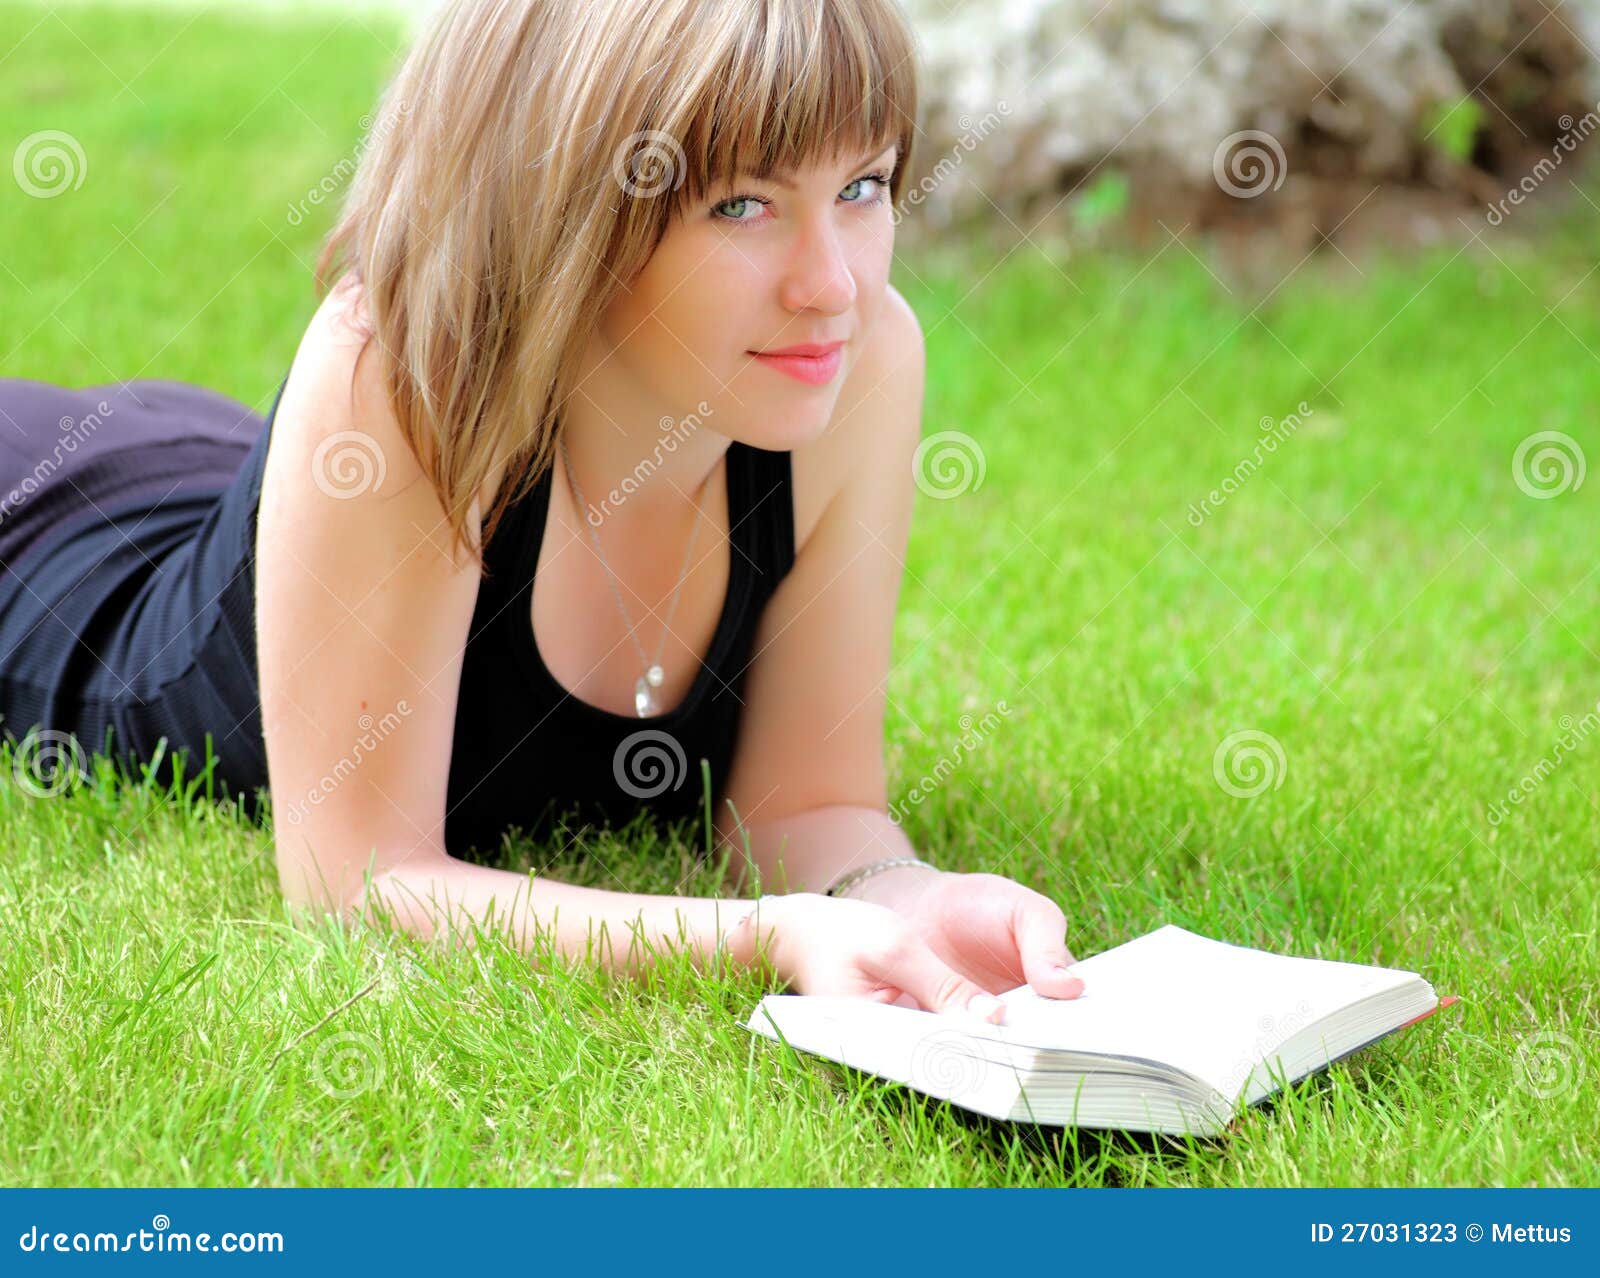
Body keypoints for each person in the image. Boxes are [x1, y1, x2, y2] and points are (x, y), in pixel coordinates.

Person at [0, 0, 1085, 1022]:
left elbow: (803, 804)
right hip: (49, 536)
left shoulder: (861, 358)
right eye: (742, 205)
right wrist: (762, 939)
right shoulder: (409, 364)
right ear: (560, 207)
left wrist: (899, 894)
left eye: (862, 188)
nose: (833, 286)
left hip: (220, 463)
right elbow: (354, 888)